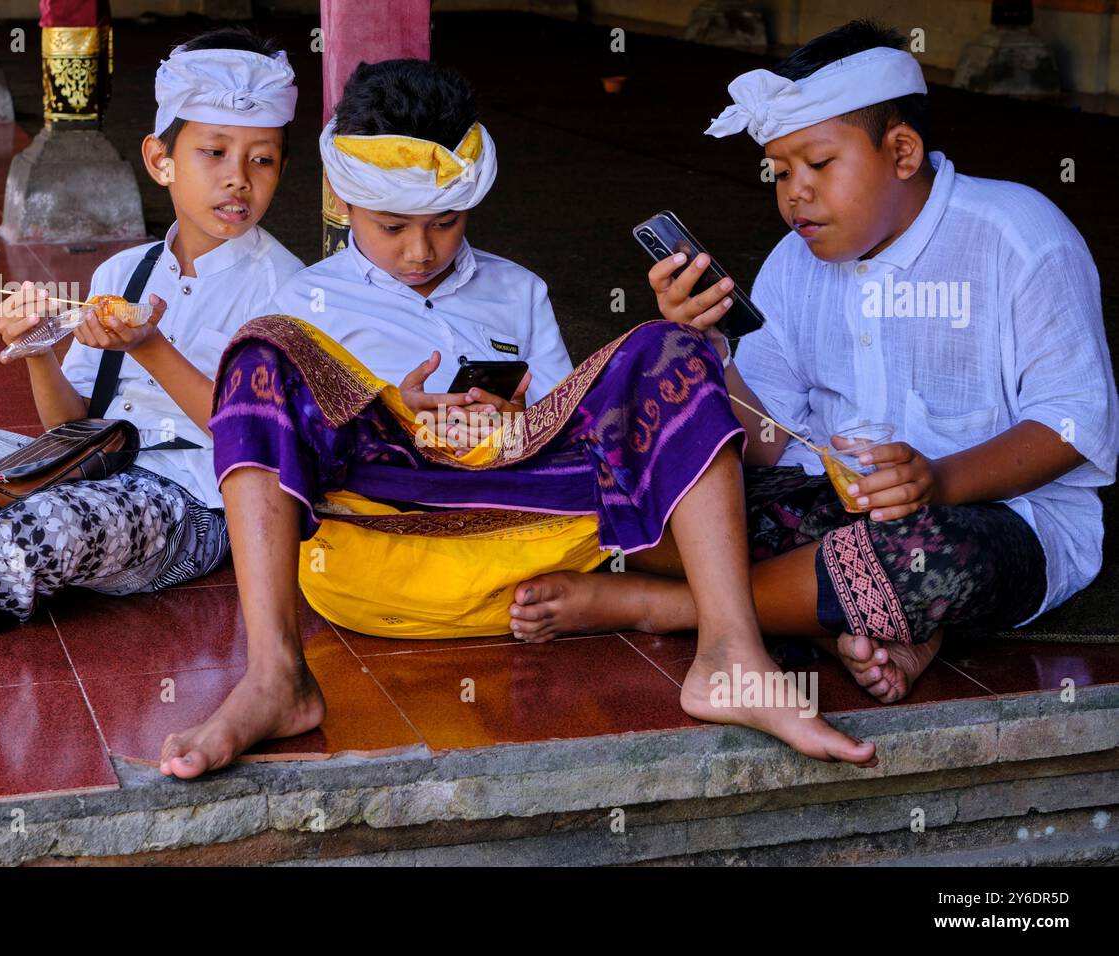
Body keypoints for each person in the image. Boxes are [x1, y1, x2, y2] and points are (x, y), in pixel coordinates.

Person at [157, 58, 880, 780]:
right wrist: (387, 408)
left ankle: (729, 656)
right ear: (343, 199)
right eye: (392, 226)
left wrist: (521, 421)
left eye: (444, 222)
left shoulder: (519, 289)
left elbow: (589, 434)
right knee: (261, 351)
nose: (420, 250)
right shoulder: (302, 298)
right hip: (379, 549)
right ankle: (275, 676)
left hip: (536, 542)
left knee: (673, 345)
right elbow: (259, 436)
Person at [507, 19, 1119, 705]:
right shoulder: (792, 265)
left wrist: (937, 481)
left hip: (993, 519)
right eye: (779, 171)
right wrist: (707, 347)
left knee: (935, 560)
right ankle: (845, 620)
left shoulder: (1019, 235)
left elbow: (1076, 421)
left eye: (819, 165)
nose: (793, 192)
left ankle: (662, 607)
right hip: (827, 513)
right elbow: (769, 445)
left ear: (903, 151)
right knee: (621, 489)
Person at [0, 26, 303, 640]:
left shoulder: (288, 291)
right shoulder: (122, 271)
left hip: (193, 501)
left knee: (52, 521)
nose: (238, 178)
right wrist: (40, 353)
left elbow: (256, 437)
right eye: (214, 152)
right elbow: (66, 428)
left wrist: (149, 348)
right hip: (84, 464)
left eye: (261, 159)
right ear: (161, 160)